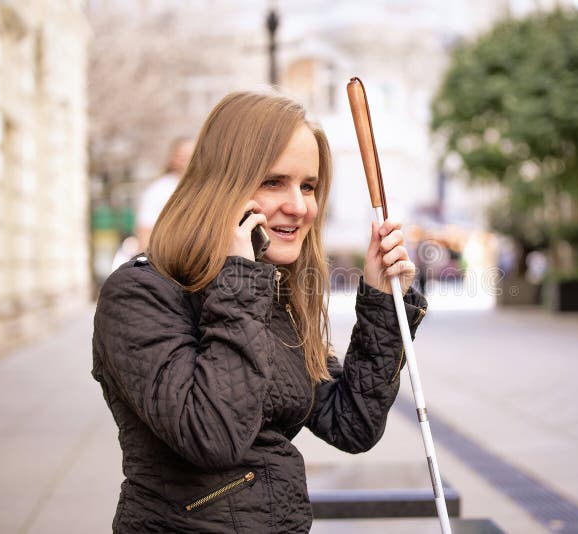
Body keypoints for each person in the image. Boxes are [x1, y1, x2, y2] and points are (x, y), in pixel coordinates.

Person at [91, 91, 426, 533]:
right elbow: (212, 435)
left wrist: (382, 304)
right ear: (221, 186)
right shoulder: (139, 294)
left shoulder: (265, 291)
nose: (299, 206)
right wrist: (239, 282)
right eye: (273, 182)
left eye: (308, 186)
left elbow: (352, 423)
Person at [135, 136, 195, 251]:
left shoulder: (204, 189)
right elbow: (145, 235)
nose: (188, 162)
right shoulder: (158, 191)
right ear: (173, 160)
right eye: (183, 157)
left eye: (191, 156)